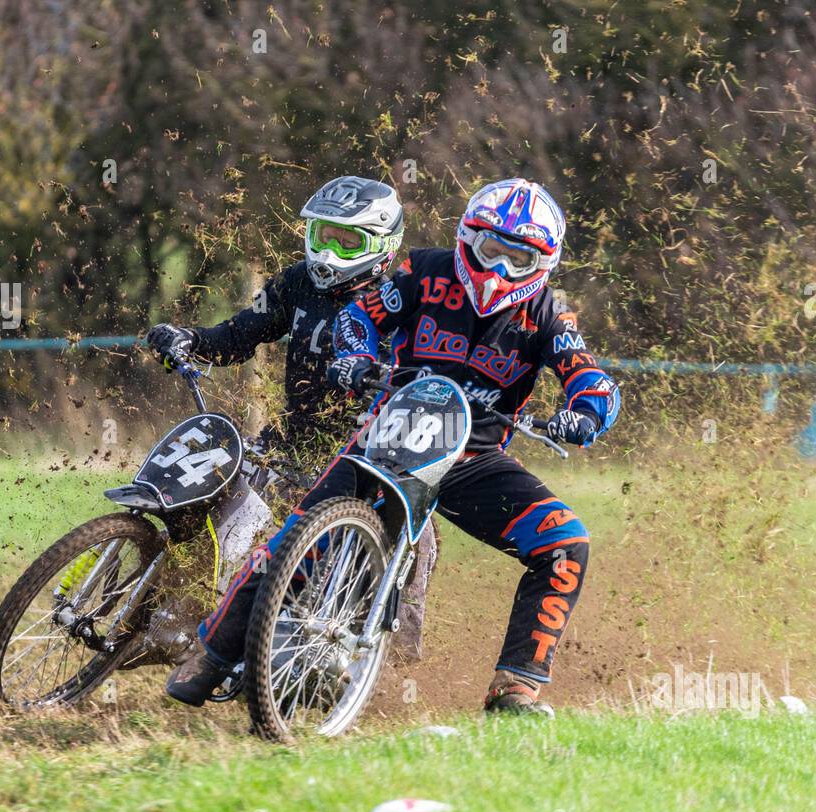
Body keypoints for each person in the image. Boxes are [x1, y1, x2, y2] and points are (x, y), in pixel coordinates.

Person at [168, 177, 620, 715]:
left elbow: (592, 378)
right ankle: (212, 654)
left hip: (473, 460)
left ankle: (516, 688)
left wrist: (584, 416)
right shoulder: (424, 271)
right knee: (292, 539)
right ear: (468, 238)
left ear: (542, 263)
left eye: (517, 258)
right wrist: (356, 357)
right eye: (491, 250)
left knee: (565, 543)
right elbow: (362, 316)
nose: (499, 269)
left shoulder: (549, 315)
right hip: (391, 432)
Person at [146, 176, 438, 681]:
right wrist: (191, 340)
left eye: (348, 241)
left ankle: (388, 668)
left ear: (383, 247)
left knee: (419, 538)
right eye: (323, 235)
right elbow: (239, 335)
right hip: (289, 443)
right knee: (211, 504)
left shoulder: (405, 301)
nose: (329, 250)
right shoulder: (296, 282)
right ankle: (173, 617)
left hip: (368, 459)